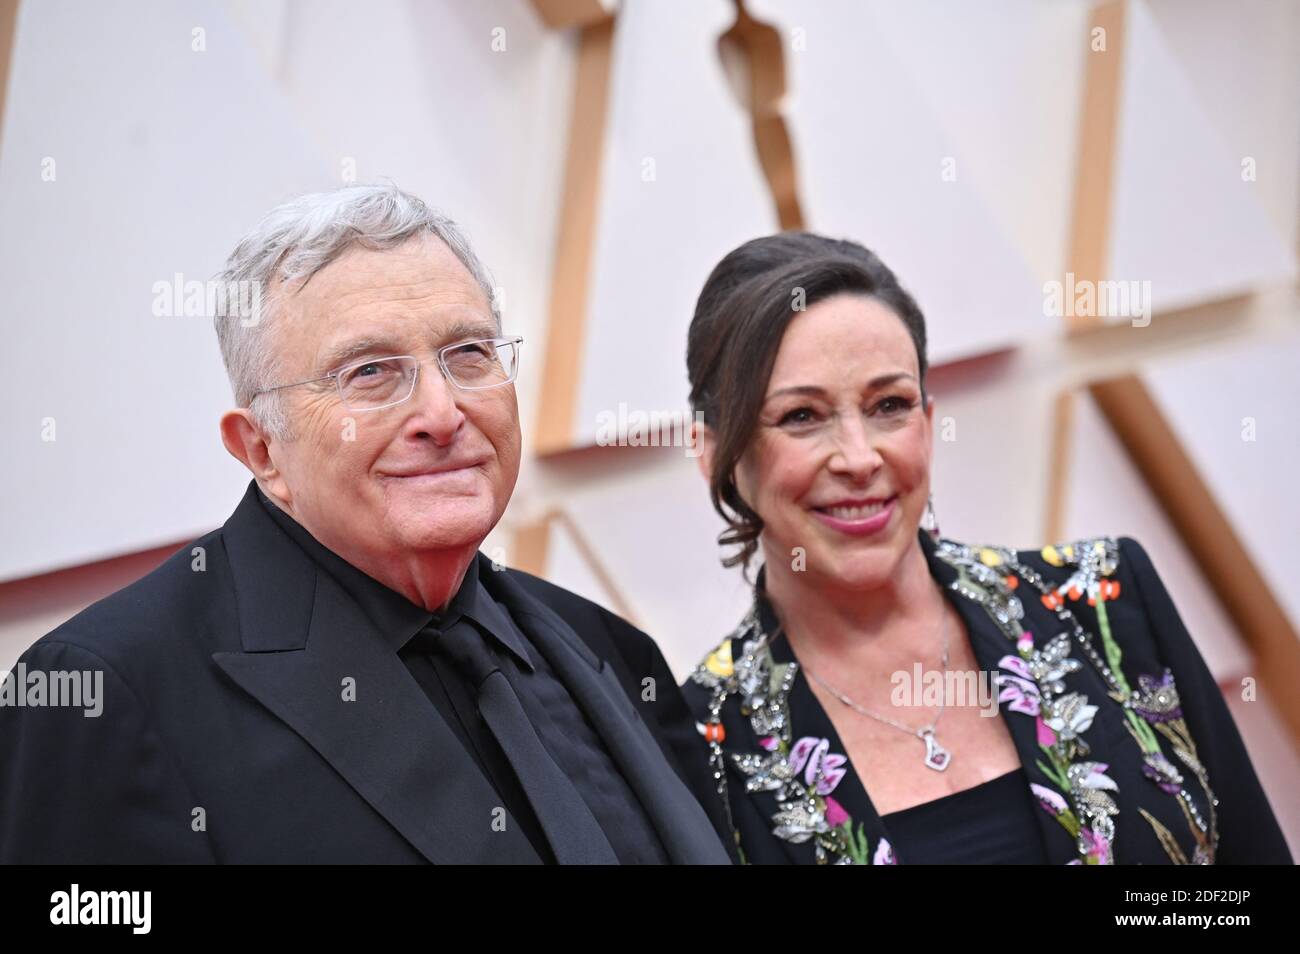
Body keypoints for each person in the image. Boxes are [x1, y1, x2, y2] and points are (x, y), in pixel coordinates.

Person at [0, 184, 734, 865]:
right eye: (370, 373)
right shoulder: (106, 693)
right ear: (261, 449)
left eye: (469, 353)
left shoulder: (607, 650)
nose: (443, 415)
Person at [679, 231, 1292, 865]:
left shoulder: (1104, 601)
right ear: (713, 452)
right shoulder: (702, 747)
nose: (860, 458)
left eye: (889, 405)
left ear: (928, 421)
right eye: (801, 416)